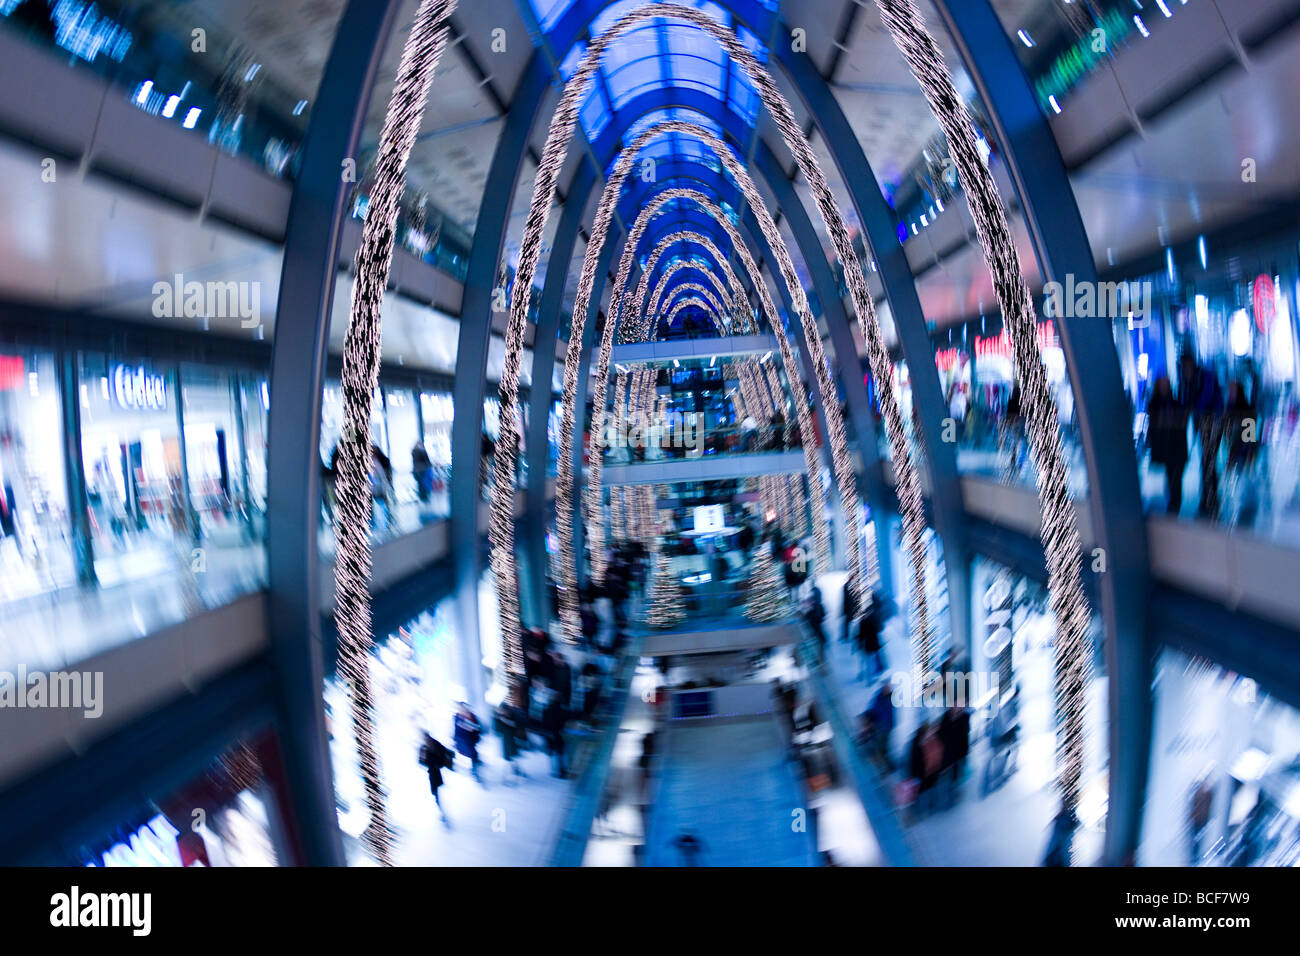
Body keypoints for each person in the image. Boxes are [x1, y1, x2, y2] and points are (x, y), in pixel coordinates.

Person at [1179, 353, 1225, 518]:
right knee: (1206, 461)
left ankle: (1211, 499)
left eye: (1187, 366)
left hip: (1212, 422)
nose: (1185, 370)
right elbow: (1186, 399)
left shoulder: (1205, 376)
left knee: (1209, 461)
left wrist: (1191, 409)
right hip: (1202, 423)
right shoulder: (1189, 378)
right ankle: (1208, 497)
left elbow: (1206, 398)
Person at [1145, 375, 1188, 515]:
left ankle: (1175, 504)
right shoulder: (1156, 404)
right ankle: (1173, 503)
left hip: (1176, 446)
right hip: (1167, 447)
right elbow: (1153, 427)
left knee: (1175, 476)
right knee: (1171, 476)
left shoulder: (1174, 403)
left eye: (1166, 384)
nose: (1165, 387)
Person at [938, 699, 971, 804]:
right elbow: (941, 733)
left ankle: (954, 790)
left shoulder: (964, 717)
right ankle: (946, 791)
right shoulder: (946, 716)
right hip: (947, 750)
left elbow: (965, 734)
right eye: (957, 705)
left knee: (956, 772)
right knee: (945, 771)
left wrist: (965, 752)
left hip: (959, 750)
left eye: (961, 706)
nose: (958, 707)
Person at [494, 688, 527, 782]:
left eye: (503, 710)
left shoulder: (513, 715)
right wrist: (499, 720)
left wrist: (506, 721)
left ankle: (518, 772)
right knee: (509, 760)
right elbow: (497, 730)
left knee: (513, 759)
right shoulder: (499, 719)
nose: (503, 712)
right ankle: (514, 773)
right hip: (506, 741)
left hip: (514, 740)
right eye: (501, 710)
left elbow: (517, 725)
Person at [419, 733, 452, 824]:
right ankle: (440, 808)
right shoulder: (423, 748)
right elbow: (421, 762)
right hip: (433, 772)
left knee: (436, 790)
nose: (427, 741)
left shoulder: (435, 744)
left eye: (428, 739)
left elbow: (444, 751)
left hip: (436, 771)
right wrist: (423, 758)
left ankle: (440, 808)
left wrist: (440, 763)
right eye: (425, 740)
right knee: (435, 791)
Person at [453, 703, 484, 783]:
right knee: (470, 754)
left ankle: (475, 771)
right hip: (462, 740)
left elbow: (478, 728)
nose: (460, 710)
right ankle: (474, 769)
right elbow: (456, 729)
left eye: (462, 708)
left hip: (470, 740)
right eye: (459, 708)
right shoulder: (457, 717)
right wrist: (455, 739)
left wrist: (472, 728)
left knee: (473, 754)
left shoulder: (471, 716)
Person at [411, 441, 434, 505]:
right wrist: (431, 466)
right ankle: (425, 498)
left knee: (420, 484)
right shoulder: (422, 451)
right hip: (423, 470)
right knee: (424, 483)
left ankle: (421, 497)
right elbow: (427, 461)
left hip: (416, 470)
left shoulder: (413, 451)